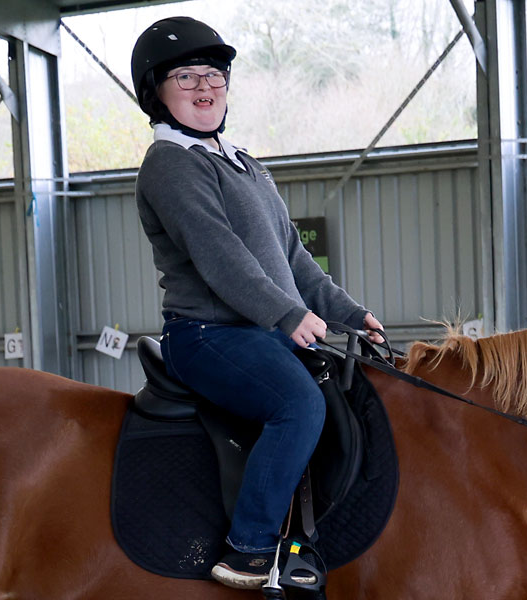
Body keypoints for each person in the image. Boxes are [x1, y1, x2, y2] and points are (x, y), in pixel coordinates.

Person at [129, 16, 385, 590]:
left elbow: (292, 258)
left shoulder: (245, 164)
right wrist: (288, 315)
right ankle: (247, 550)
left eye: (215, 76)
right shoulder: (170, 164)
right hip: (210, 335)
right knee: (299, 406)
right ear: (157, 93)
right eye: (187, 76)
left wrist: (349, 314)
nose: (205, 87)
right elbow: (220, 258)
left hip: (263, 331)